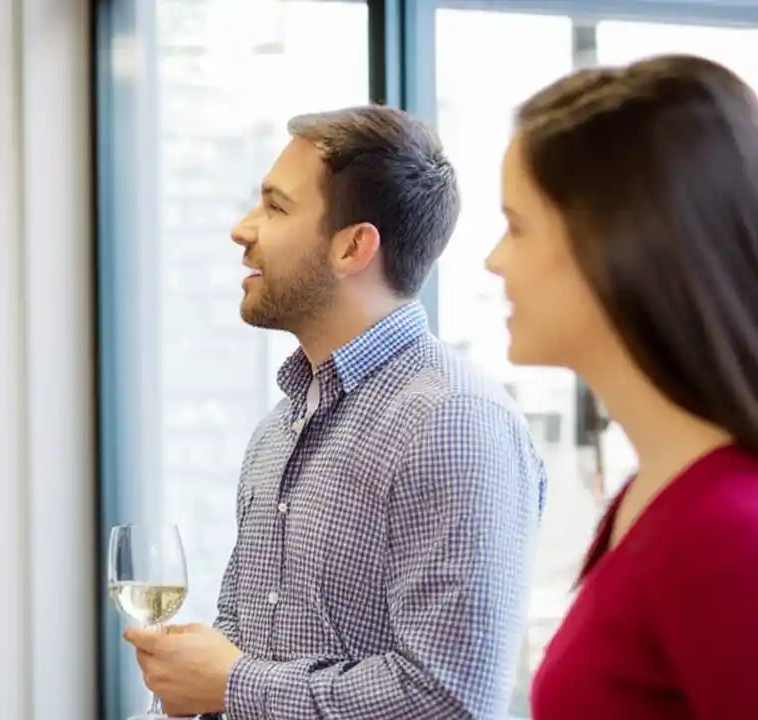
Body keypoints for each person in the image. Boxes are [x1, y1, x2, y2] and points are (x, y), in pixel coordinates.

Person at [124, 106, 547, 720]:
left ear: (353, 246)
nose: (243, 230)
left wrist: (233, 684)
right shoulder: (278, 429)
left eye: (275, 207)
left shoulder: (455, 422)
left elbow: (450, 699)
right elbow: (240, 648)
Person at [487, 54, 758, 719]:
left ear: (614, 241)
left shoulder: (727, 535)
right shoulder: (656, 495)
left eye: (517, 226)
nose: (494, 260)